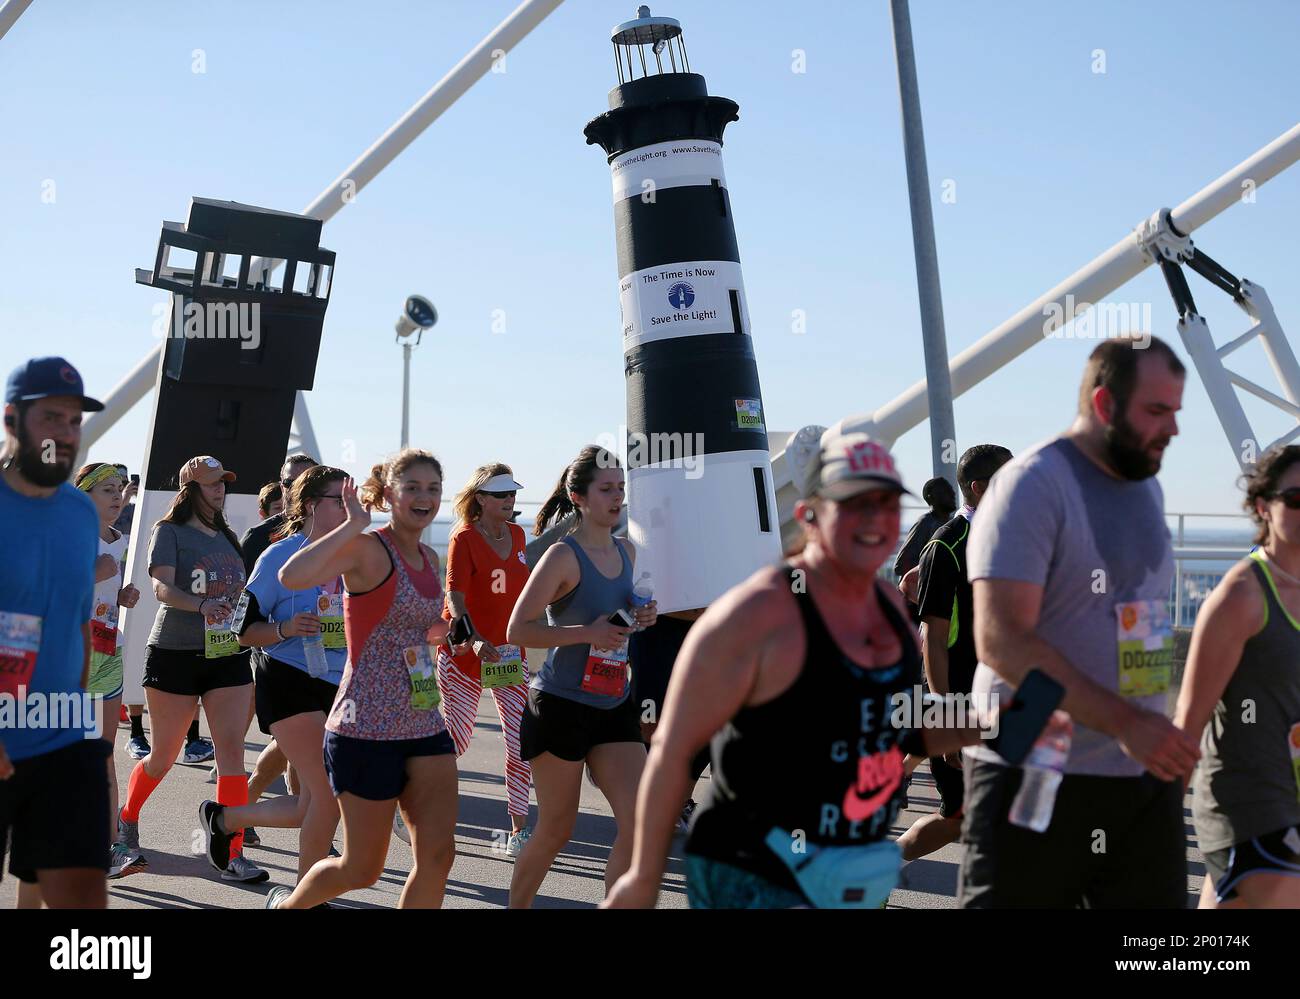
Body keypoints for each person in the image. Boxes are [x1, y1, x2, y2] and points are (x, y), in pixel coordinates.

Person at [605, 432, 984, 908]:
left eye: (885, 504)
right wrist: (643, 875)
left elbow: (895, 723)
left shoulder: (888, 611)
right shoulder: (752, 613)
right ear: (810, 516)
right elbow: (671, 753)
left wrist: (994, 719)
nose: (874, 521)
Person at [959, 335, 1200, 909]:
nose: (1173, 429)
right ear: (1103, 406)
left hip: (1137, 779)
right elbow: (1001, 641)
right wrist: (1126, 721)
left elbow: (1138, 614)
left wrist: (1153, 728)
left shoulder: (1146, 488)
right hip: (1031, 774)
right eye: (1157, 411)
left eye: (1176, 412)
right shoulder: (1032, 485)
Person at [265, 449, 459, 909]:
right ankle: (289, 906)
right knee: (362, 869)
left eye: (432, 488)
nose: (423, 497)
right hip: (365, 727)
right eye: (411, 487)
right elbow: (292, 575)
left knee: (438, 855)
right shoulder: (368, 548)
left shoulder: (432, 559)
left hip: (424, 721)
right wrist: (354, 523)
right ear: (389, 493)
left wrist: (445, 634)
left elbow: (411, 626)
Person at [504, 446, 657, 908]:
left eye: (621, 489)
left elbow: (617, 617)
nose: (617, 498)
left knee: (641, 819)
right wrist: (588, 632)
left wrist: (640, 615)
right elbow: (519, 631)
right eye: (606, 489)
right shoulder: (561, 557)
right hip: (560, 706)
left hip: (613, 703)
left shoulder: (628, 550)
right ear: (579, 497)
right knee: (557, 828)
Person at [114, 455, 268, 883]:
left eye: (223, 483)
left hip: (228, 657)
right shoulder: (168, 532)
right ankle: (126, 820)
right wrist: (201, 604)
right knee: (163, 756)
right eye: (212, 483)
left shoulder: (226, 534)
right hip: (175, 653)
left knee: (232, 755)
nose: (220, 490)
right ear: (191, 489)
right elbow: (162, 586)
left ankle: (231, 851)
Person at [198, 467, 350, 885]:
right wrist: (286, 628)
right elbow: (242, 631)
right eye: (339, 499)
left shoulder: (356, 554)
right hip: (286, 678)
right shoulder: (279, 556)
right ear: (311, 506)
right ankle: (307, 895)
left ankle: (225, 818)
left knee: (310, 804)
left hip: (339, 684)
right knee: (327, 796)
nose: (348, 507)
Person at [1, 356, 109, 909]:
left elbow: (77, 621)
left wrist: (82, 707)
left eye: (74, 421)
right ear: (12, 420)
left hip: (61, 733)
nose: (65, 434)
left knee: (87, 909)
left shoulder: (79, 512)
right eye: (51, 418)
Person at [1176, 445, 1300, 908]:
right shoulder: (1241, 596)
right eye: (1297, 499)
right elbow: (1188, 720)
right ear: (1264, 505)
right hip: (1249, 805)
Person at [896, 445, 1011, 863]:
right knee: (959, 817)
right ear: (979, 488)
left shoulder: (1008, 538)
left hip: (1004, 700)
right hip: (962, 700)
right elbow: (935, 638)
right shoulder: (947, 545)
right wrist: (946, 720)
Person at [438, 464, 534, 857]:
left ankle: (519, 831)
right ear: (481, 499)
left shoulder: (518, 533)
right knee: (456, 742)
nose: (509, 501)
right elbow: (453, 596)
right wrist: (472, 639)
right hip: (464, 654)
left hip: (508, 655)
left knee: (520, 740)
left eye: (512, 494)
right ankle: (406, 793)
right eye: (501, 495)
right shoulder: (463, 538)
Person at [68, 463, 145, 880]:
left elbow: (106, 598)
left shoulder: (120, 540)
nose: (117, 497)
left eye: (120, 489)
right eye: (106, 491)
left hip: (106, 654)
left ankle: (110, 846)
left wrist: (123, 596)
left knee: (103, 758)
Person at [239, 454, 317, 839]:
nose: (293, 490)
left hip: (328, 659)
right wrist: (283, 628)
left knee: (295, 748)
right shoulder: (263, 539)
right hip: (277, 654)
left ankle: (254, 805)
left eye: (304, 482)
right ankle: (246, 806)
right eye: (287, 483)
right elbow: (245, 611)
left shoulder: (339, 540)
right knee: (295, 743)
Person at [894, 476, 957, 583]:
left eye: (951, 490)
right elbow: (900, 566)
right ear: (931, 497)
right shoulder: (925, 523)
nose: (953, 494)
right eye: (946, 491)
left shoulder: (955, 524)